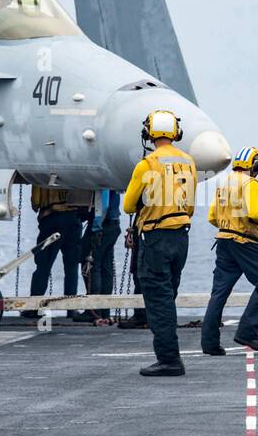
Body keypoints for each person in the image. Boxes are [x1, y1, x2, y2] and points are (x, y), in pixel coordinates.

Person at [122, 109, 196, 376]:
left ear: (148, 133)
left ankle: (169, 360)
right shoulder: (188, 162)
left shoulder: (147, 164)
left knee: (159, 301)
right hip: (181, 238)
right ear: (176, 132)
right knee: (169, 296)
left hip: (156, 239)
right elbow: (189, 206)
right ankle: (169, 355)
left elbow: (129, 204)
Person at [202, 147, 258, 355]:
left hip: (223, 241)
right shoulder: (251, 183)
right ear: (255, 165)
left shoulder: (225, 183)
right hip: (246, 243)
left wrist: (228, 225)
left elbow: (212, 216)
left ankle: (209, 343)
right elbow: (255, 212)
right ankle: (248, 332)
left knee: (219, 292)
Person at [21, 185, 90, 319]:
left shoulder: (42, 174)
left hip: (50, 218)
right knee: (71, 266)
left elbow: (35, 202)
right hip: (73, 218)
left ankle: (35, 307)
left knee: (43, 266)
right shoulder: (70, 172)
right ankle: (71, 309)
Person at [74, 188, 122, 324]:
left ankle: (93, 310)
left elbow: (103, 202)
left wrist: (96, 227)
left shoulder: (103, 178)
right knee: (105, 268)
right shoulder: (113, 176)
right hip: (113, 224)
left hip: (102, 226)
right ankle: (104, 310)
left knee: (90, 264)